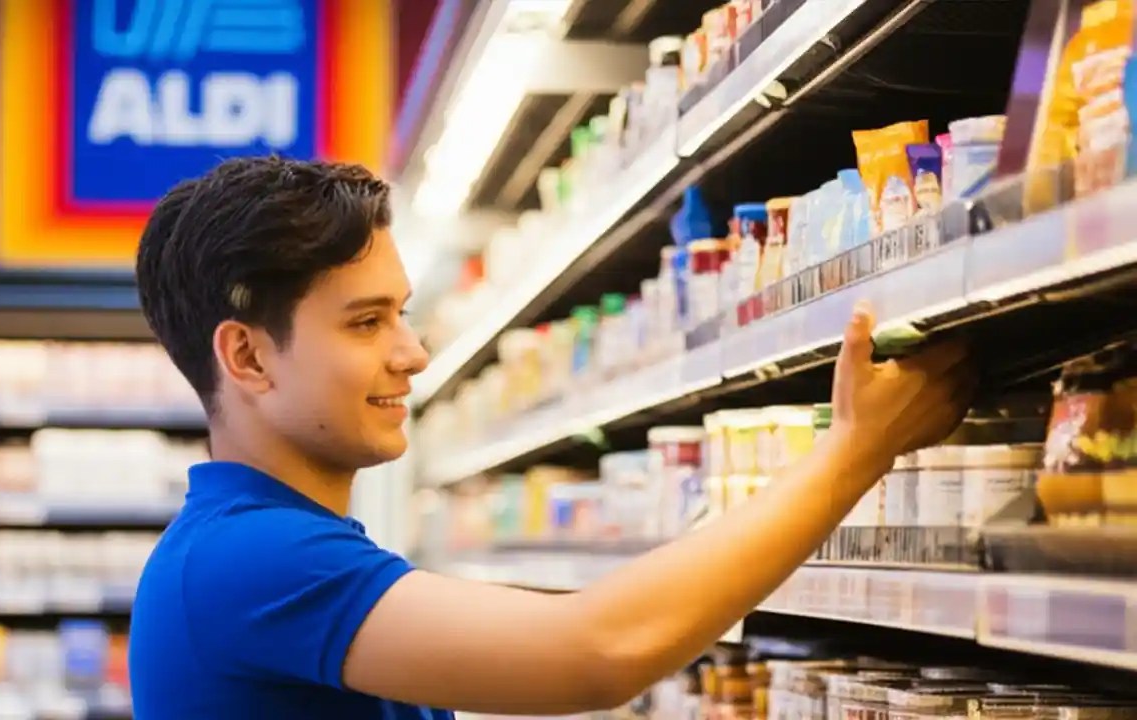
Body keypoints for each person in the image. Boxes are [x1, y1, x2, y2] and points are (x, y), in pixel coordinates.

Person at [128, 157, 974, 719]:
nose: (413, 353)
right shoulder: (248, 560)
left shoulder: (254, 547)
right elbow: (597, 652)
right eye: (365, 322)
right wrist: (859, 448)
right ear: (246, 356)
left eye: (404, 313)